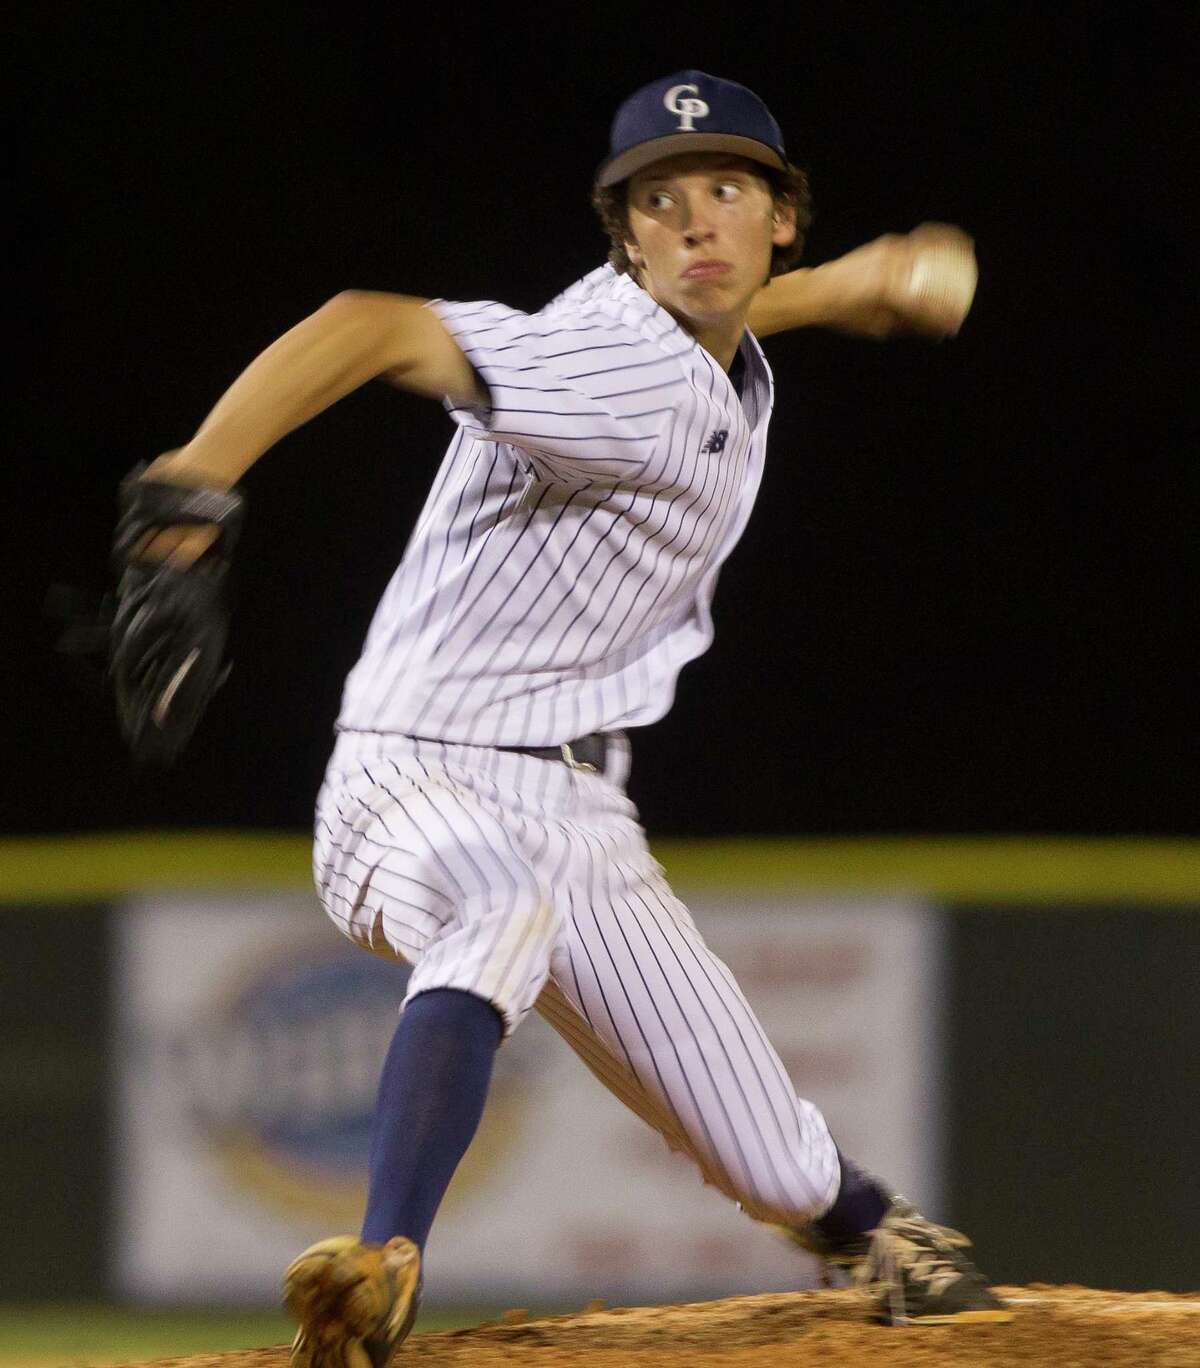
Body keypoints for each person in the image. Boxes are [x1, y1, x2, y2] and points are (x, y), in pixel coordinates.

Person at [132, 70, 1003, 1368]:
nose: (697, 221)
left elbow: (743, 311)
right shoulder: (607, 363)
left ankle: (870, 1226)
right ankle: (381, 1261)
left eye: (729, 190)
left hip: (582, 809)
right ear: (626, 235)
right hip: (417, 777)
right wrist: (189, 489)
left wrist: (856, 288)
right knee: (496, 912)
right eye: (660, 200)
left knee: (764, 1151)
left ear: (781, 222)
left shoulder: (717, 335)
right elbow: (366, 325)